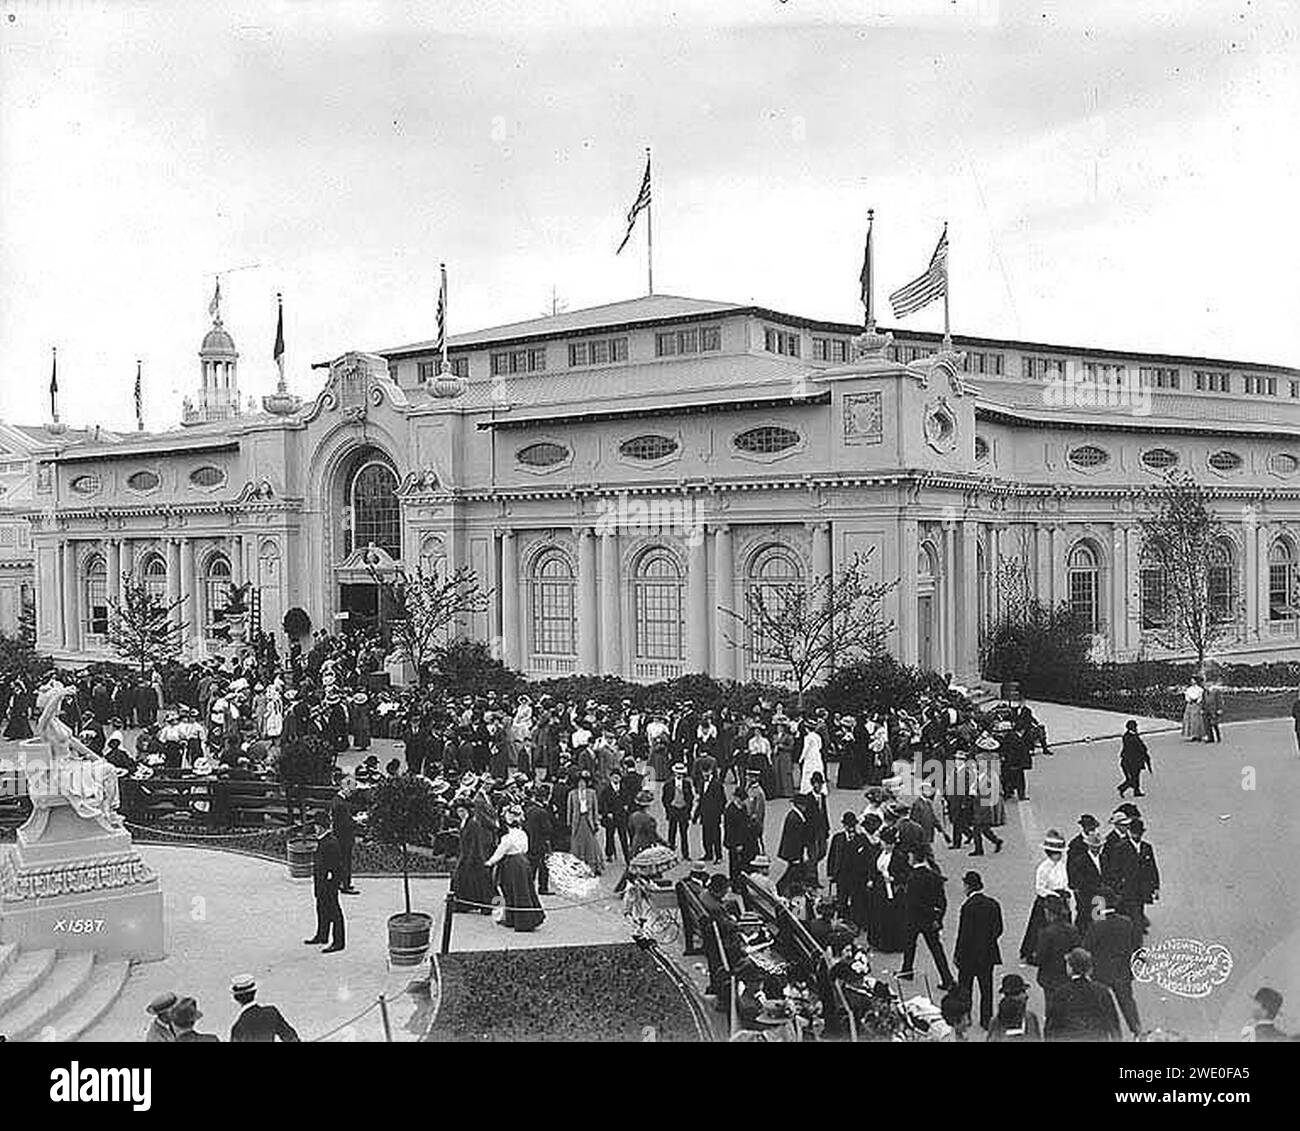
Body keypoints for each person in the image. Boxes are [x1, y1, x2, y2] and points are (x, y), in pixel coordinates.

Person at [1083, 887, 1142, 1038]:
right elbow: (1135, 945)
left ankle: (1114, 1035)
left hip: (1101, 972)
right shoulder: (1126, 923)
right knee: (1127, 1002)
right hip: (1122, 970)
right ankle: (1137, 1031)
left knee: (1105, 1006)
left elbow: (1086, 947)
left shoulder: (1096, 925)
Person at [899, 846, 955, 992]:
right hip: (930, 920)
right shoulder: (934, 876)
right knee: (936, 949)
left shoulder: (912, 878)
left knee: (910, 945)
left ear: (915, 858)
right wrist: (938, 917)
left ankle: (907, 971)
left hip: (914, 918)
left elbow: (911, 902)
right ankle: (947, 978)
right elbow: (942, 901)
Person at [954, 870, 1003, 1031]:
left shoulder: (967, 907)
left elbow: (963, 934)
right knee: (986, 989)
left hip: (969, 956)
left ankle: (965, 1017)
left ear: (968, 886)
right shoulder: (993, 904)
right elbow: (999, 929)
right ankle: (986, 1019)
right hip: (987, 954)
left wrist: (957, 955)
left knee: (965, 989)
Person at [485, 805, 545, 932]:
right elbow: (526, 849)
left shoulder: (507, 838)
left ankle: (518, 920)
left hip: (511, 864)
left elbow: (499, 853)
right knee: (525, 890)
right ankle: (527, 918)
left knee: (511, 891)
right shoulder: (523, 834)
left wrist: (489, 863)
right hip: (523, 862)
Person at [1045, 948, 1121, 1042]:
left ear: (1070, 968)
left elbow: (1051, 1025)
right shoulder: (1102, 991)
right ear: (1090, 968)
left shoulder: (1061, 993)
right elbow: (1113, 1023)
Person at [1019, 829, 1070, 963]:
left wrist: (1065, 891)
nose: (1059, 856)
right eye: (1056, 854)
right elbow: (1039, 888)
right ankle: (1035, 953)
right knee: (1040, 930)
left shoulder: (1062, 866)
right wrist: (1054, 894)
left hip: (1061, 899)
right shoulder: (1043, 868)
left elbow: (1064, 882)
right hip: (1047, 901)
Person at [304, 816, 345, 952]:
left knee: (334, 911)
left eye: (315, 826)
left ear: (320, 826)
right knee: (321, 908)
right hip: (321, 882)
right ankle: (322, 935)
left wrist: (332, 882)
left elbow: (336, 867)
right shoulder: (323, 841)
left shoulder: (330, 843)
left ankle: (338, 942)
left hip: (328, 883)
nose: (314, 829)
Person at [452, 798, 497, 913]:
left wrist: (469, 858)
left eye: (462, 811)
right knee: (464, 880)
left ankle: (485, 906)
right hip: (465, 855)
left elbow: (475, 843)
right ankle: (465, 904)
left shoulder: (473, 823)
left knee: (479, 882)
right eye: (459, 812)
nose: (460, 814)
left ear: (468, 811)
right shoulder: (464, 823)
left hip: (474, 856)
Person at [1033, 896, 1081, 997]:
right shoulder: (1073, 930)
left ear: (1050, 913)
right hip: (1068, 975)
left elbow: (1040, 958)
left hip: (1050, 978)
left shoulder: (1046, 933)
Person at [229, 975, 300, 1043]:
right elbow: (291, 1038)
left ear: (236, 998)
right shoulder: (271, 1012)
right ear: (255, 992)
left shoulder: (238, 1027)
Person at [1067, 815, 1106, 933]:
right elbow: (1071, 868)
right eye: (1090, 827)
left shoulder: (1102, 855)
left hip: (1099, 890)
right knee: (1083, 912)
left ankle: (1096, 935)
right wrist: (1074, 886)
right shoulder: (1075, 845)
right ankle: (1081, 934)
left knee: (1098, 914)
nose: (1092, 829)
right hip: (1084, 889)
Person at [1122, 818, 1160, 934]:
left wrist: (1156, 887)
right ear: (1129, 832)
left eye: (1139, 833)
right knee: (1134, 916)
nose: (1136, 835)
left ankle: (1136, 934)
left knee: (1139, 911)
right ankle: (1135, 942)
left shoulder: (1147, 847)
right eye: (1134, 832)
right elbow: (1116, 870)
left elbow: (1152, 868)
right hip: (1128, 889)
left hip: (1143, 889)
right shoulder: (1122, 848)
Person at [567, 770, 604, 874]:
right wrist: (569, 822)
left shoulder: (592, 793)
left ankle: (593, 866)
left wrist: (596, 821)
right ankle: (578, 867)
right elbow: (570, 809)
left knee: (591, 843)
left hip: (588, 821)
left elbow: (595, 809)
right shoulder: (572, 793)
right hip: (577, 822)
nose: (582, 784)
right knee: (577, 843)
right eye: (580, 783)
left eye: (583, 782)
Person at [987, 974, 1041, 1041]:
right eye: (1022, 992)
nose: (1026, 996)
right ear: (1011, 997)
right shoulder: (1031, 1019)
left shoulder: (994, 1022)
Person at [776, 793, 810, 897]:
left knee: (792, 870)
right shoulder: (794, 818)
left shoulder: (794, 816)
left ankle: (786, 888)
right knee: (792, 871)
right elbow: (795, 839)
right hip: (793, 851)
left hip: (792, 851)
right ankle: (781, 888)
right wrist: (798, 855)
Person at [694, 758, 725, 864]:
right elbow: (701, 800)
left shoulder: (717, 784)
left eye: (707, 772)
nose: (705, 774)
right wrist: (696, 815)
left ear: (711, 771)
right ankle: (708, 854)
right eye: (704, 772)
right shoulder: (701, 783)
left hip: (714, 815)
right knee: (706, 836)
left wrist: (719, 813)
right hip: (704, 814)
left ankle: (719, 855)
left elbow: (722, 800)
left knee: (716, 836)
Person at [661, 761, 695, 860]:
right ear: (674, 773)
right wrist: (668, 809)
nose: (679, 775)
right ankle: (670, 853)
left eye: (681, 773)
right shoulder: (668, 784)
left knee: (684, 834)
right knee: (672, 833)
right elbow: (665, 799)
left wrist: (688, 809)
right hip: (673, 810)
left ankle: (685, 854)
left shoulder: (687, 783)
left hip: (683, 811)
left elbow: (690, 797)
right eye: (678, 773)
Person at [331, 787, 359, 895]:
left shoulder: (336, 800)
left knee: (341, 860)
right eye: (350, 791)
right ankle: (345, 885)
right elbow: (345, 823)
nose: (351, 793)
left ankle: (340, 882)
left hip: (339, 836)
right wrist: (356, 821)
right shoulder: (341, 804)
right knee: (346, 861)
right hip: (345, 837)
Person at [1117, 721, 1150, 798]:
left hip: (1135, 760)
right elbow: (1136, 747)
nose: (1136, 728)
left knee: (1136, 776)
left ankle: (1136, 791)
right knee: (1132, 778)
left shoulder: (1133, 736)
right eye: (1134, 727)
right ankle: (1122, 788)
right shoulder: (1129, 737)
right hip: (1129, 761)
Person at [1181, 675, 1207, 741]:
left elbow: (1200, 697)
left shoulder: (1200, 689)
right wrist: (1189, 700)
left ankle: (1198, 735)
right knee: (1189, 720)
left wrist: (1197, 701)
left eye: (1194, 680)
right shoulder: (1188, 689)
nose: (1192, 682)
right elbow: (1187, 697)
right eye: (1191, 680)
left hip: (1196, 705)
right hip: (1190, 704)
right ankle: (1192, 735)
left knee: (1197, 720)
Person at [1203, 678, 1223, 743]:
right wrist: (1203, 709)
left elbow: (1219, 700)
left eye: (1208, 683)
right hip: (1207, 710)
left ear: (1211, 684)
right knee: (1207, 725)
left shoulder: (1216, 691)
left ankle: (1218, 737)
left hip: (1214, 709)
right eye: (1206, 683)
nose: (1207, 685)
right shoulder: (1205, 692)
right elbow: (1204, 701)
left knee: (1214, 724)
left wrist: (1219, 709)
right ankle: (1210, 738)